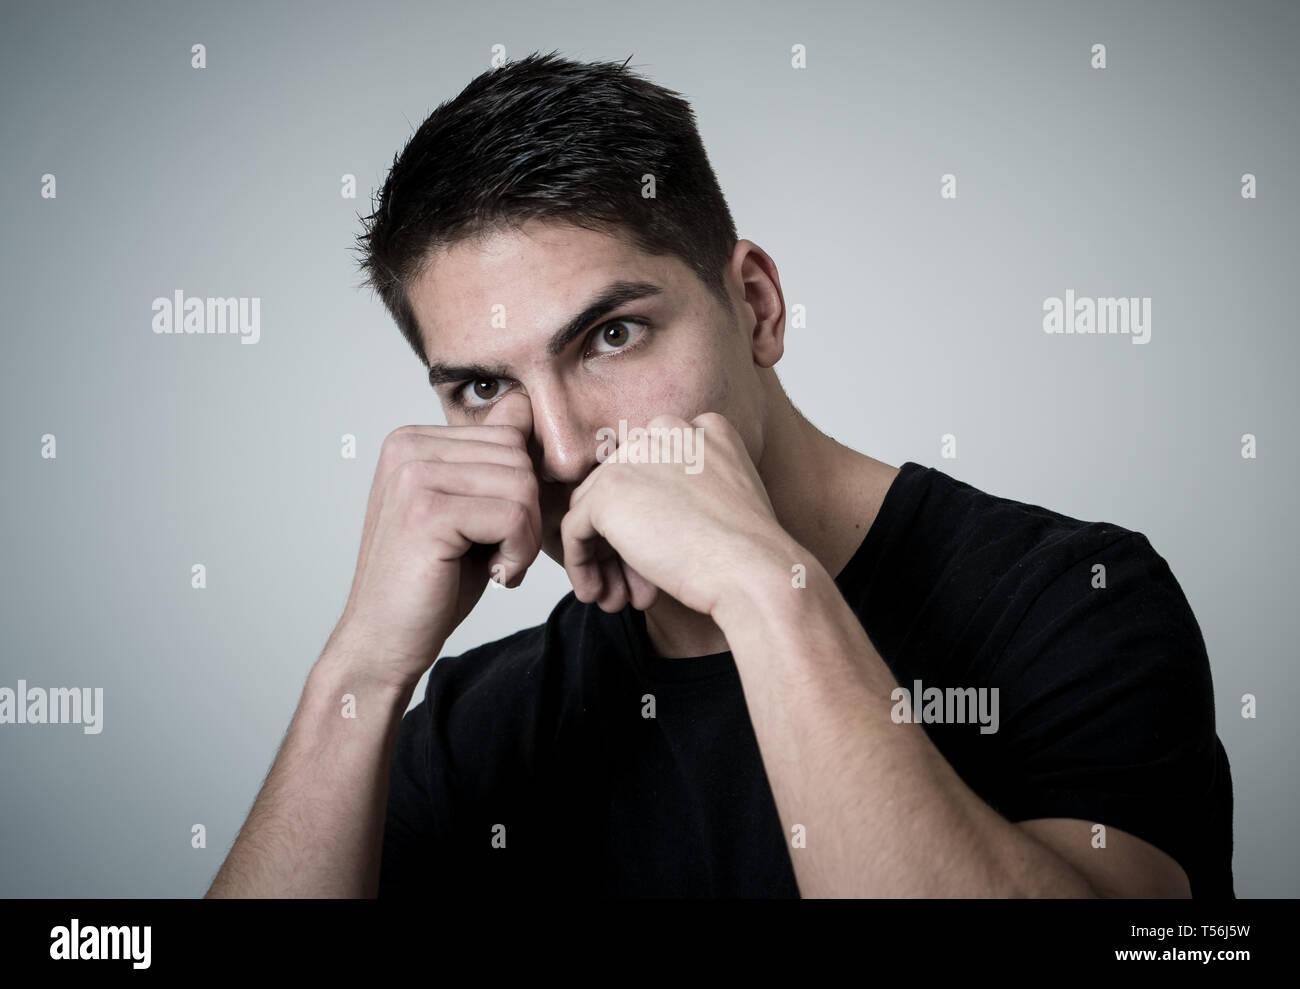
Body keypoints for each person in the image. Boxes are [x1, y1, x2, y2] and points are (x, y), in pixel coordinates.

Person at [205, 50, 1234, 899]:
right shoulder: (482, 723)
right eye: (481, 386)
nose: (561, 449)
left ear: (755, 304)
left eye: (611, 334)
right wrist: (360, 670)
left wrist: (762, 589)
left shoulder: (1074, 600)